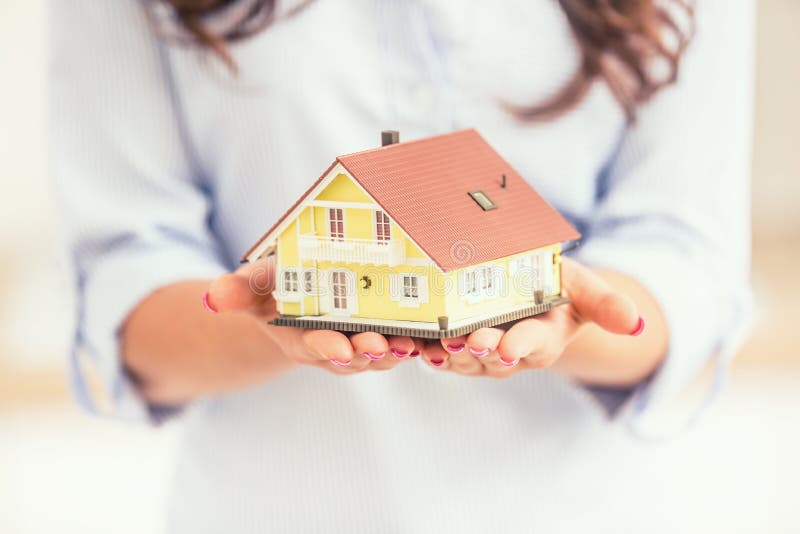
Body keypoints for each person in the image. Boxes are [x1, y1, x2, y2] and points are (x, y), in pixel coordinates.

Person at [50, 0, 754, 532]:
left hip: (580, 508)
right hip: (264, 508)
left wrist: (555, 309)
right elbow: (123, 274)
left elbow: (685, 253)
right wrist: (284, 307)